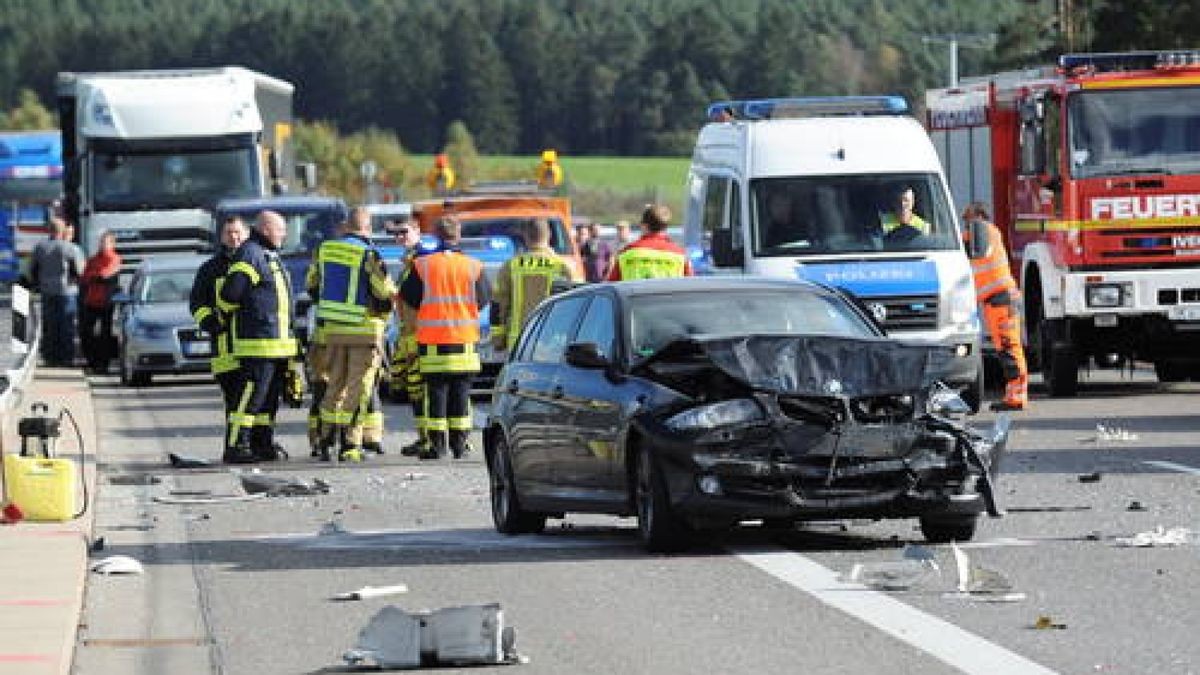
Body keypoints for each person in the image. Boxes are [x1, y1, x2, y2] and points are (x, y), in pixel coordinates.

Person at [311, 206, 397, 462]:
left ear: (346, 226)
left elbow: (312, 285)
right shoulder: (369, 254)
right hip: (363, 332)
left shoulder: (325, 250)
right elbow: (384, 292)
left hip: (333, 332)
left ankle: (325, 440)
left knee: (334, 385)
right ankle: (350, 444)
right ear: (367, 228)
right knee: (359, 388)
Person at [400, 217, 490, 460]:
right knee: (461, 395)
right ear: (459, 236)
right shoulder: (474, 266)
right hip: (465, 342)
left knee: (436, 395)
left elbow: (408, 297)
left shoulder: (423, 265)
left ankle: (438, 447)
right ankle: (459, 446)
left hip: (433, 343)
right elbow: (483, 299)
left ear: (437, 236)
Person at [219, 211, 298, 463]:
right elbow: (230, 295)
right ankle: (236, 446)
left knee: (266, 403)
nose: (284, 234)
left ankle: (262, 444)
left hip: (275, 346)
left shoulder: (267, 254)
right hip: (258, 345)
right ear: (265, 229)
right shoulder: (251, 253)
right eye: (280, 229)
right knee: (249, 399)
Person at [190, 216, 249, 463]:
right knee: (235, 402)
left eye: (237, 232)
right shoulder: (210, 269)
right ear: (222, 236)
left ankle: (252, 445)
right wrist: (210, 323)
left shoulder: (254, 262)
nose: (233, 237)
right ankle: (234, 447)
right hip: (225, 350)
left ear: (246, 234)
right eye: (229, 233)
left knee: (252, 403)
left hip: (252, 347)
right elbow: (197, 303)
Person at [962, 202, 1028, 412]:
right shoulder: (985, 233)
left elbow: (964, 246)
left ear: (979, 216)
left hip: (1001, 299)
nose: (966, 223)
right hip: (998, 300)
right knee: (1005, 348)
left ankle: (1017, 397)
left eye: (968, 218)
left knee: (1009, 347)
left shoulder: (983, 231)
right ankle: (1014, 395)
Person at [387, 218, 434, 457]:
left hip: (422, 336)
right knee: (415, 392)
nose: (399, 238)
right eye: (395, 234)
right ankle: (425, 438)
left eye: (403, 232)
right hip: (408, 336)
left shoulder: (424, 259)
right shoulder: (409, 262)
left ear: (418, 230)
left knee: (424, 391)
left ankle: (433, 439)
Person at [491, 218, 574, 352]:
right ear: (549, 235)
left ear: (525, 236)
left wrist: (498, 339)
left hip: (519, 343)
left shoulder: (511, 266)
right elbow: (575, 305)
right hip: (554, 342)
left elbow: (498, 304)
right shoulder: (563, 266)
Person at [29, 217, 86, 366]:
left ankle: (50, 357)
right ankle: (66, 358)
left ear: (49, 230)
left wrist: (38, 284)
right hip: (67, 291)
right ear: (63, 230)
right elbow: (79, 271)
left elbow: (33, 270)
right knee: (66, 326)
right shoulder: (70, 248)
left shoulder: (39, 248)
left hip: (47, 291)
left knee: (49, 325)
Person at [607, 205, 694, 281]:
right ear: (666, 227)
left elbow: (612, 288)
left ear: (644, 226)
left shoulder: (626, 254)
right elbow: (689, 287)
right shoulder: (680, 255)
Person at [78, 230, 122, 372]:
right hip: (91, 300)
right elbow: (84, 277)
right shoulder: (93, 259)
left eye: (105, 242)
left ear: (112, 244)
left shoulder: (115, 258)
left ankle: (103, 364)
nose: (102, 245)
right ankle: (92, 361)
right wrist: (95, 277)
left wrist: (94, 277)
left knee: (105, 334)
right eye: (101, 242)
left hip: (106, 302)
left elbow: (105, 275)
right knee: (86, 332)